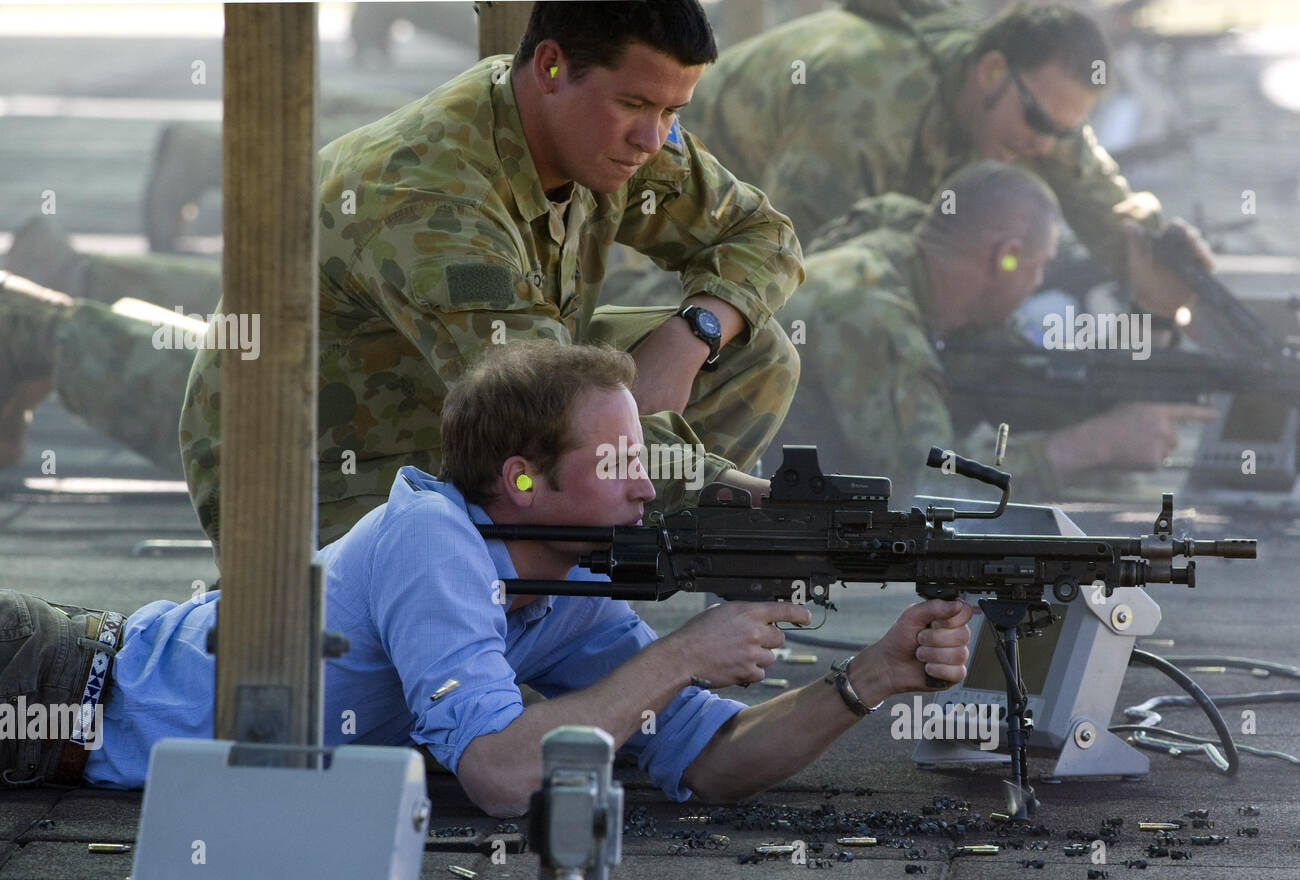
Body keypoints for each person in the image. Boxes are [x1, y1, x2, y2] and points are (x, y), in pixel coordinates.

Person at [0, 342, 972, 816]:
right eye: (619, 459)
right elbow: (503, 774)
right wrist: (684, 649)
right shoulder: (435, 541)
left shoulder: (562, 582)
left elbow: (706, 760)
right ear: (520, 477)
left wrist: (868, 681)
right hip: (45, 683)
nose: (647, 482)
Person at [179, 0, 804, 557]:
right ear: (552, 66)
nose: (652, 137)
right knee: (560, 451)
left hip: (468, 409)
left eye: (672, 109)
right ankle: (529, 605)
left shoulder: (594, 125)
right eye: (635, 104)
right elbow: (541, 411)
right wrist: (728, 491)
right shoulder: (435, 199)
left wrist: (693, 334)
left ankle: (589, 574)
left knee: (756, 348)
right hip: (315, 478)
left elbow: (764, 235)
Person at [668, 0, 1207, 318]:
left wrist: (1156, 253)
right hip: (663, 230)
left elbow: (1103, 200)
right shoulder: (866, 108)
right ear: (991, 71)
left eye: (1064, 131)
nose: (1046, 146)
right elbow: (803, 283)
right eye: (1041, 125)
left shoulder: (1027, 102)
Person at [770, 162, 1216, 500]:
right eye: (1038, 266)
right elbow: (927, 490)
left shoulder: (912, 251)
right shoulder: (868, 313)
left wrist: (1156, 310)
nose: (1039, 282)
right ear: (1006, 255)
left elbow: (1031, 392)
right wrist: (1091, 446)